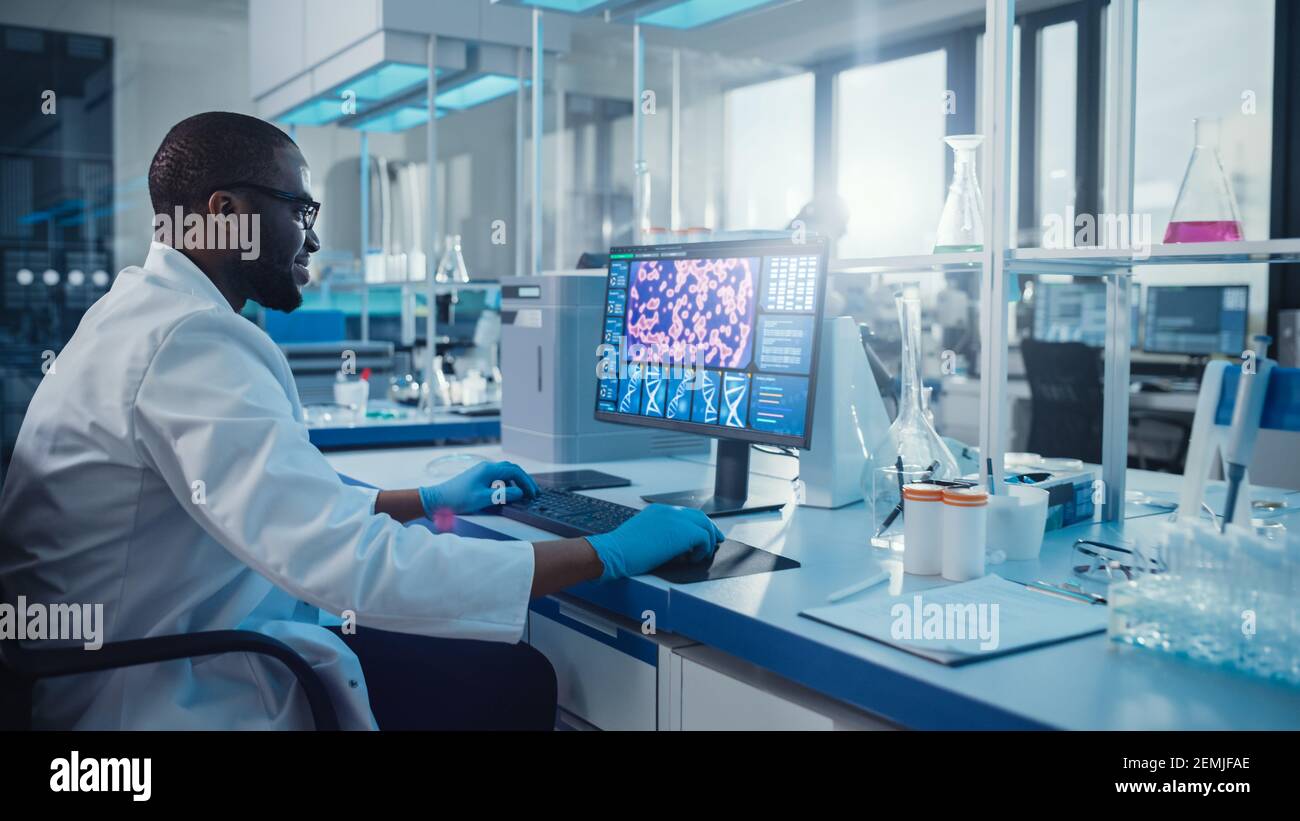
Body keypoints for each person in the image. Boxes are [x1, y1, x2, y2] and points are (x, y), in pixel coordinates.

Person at [0, 112, 723, 730]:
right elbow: (349, 563)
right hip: (163, 689)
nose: (311, 239)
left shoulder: (142, 311)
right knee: (517, 680)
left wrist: (425, 502)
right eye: (298, 209)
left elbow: (275, 504)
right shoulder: (186, 338)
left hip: (140, 649)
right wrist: (607, 554)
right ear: (222, 213)